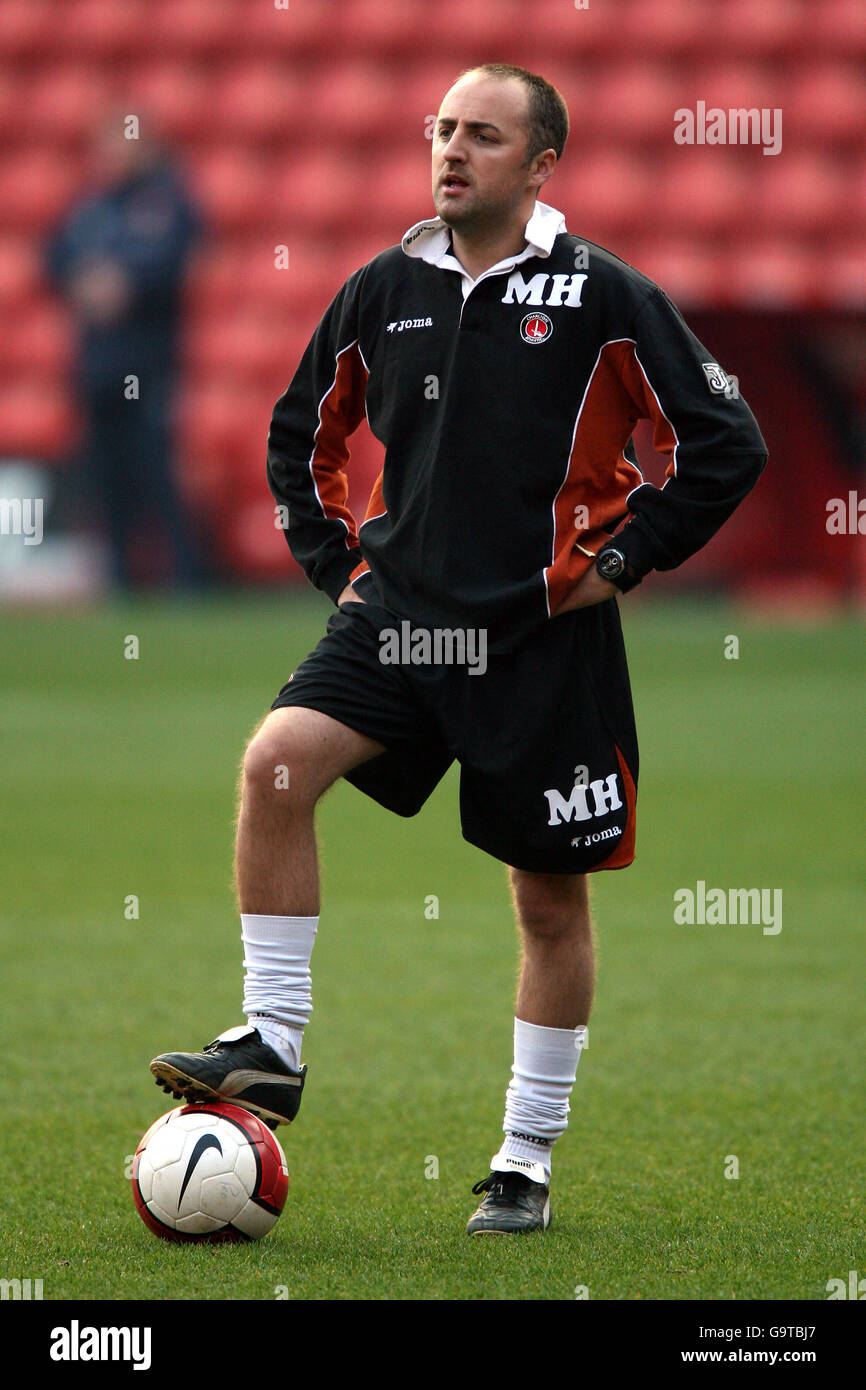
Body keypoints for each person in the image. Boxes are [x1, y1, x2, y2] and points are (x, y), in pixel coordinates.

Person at [150, 64, 767, 1235]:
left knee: (545, 905)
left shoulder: (603, 298)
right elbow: (298, 441)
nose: (450, 151)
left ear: (540, 165)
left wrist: (625, 563)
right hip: (397, 619)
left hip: (540, 638)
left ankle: (523, 1158)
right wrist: (347, 578)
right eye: (440, 130)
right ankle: (271, 1043)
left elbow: (724, 442)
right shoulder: (383, 286)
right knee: (276, 761)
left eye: (482, 136)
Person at [45, 111, 203, 588]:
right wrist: (84, 284)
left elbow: (177, 257)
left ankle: (188, 582)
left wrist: (127, 284)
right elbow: (52, 259)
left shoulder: (165, 200)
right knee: (106, 480)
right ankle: (119, 583)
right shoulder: (89, 206)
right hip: (97, 370)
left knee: (158, 475)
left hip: (150, 367)